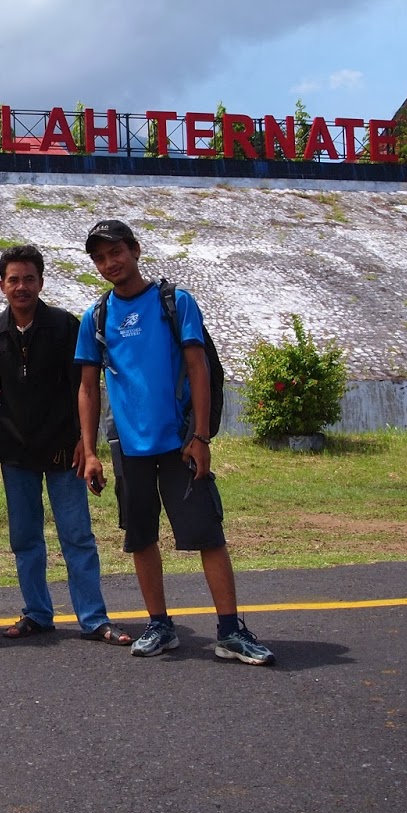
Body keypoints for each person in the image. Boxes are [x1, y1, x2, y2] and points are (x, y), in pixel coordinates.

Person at [74, 220, 275, 664]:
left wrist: (201, 436)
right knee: (140, 538)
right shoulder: (96, 316)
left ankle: (230, 631)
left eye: (116, 252)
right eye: (100, 258)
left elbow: (198, 367)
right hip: (128, 447)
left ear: (135, 250)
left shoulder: (175, 301)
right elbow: (88, 388)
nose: (109, 263)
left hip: (180, 443)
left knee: (208, 535)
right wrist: (89, 452)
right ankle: (160, 625)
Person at [0, 244, 132, 646]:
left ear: (41, 282)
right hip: (15, 450)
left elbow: (84, 386)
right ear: (2, 285)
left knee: (77, 537)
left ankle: (93, 618)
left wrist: (85, 440)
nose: (21, 287)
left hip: (65, 448)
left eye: (29, 279)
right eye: (14, 280)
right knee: (25, 539)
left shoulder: (64, 325)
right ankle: (37, 613)